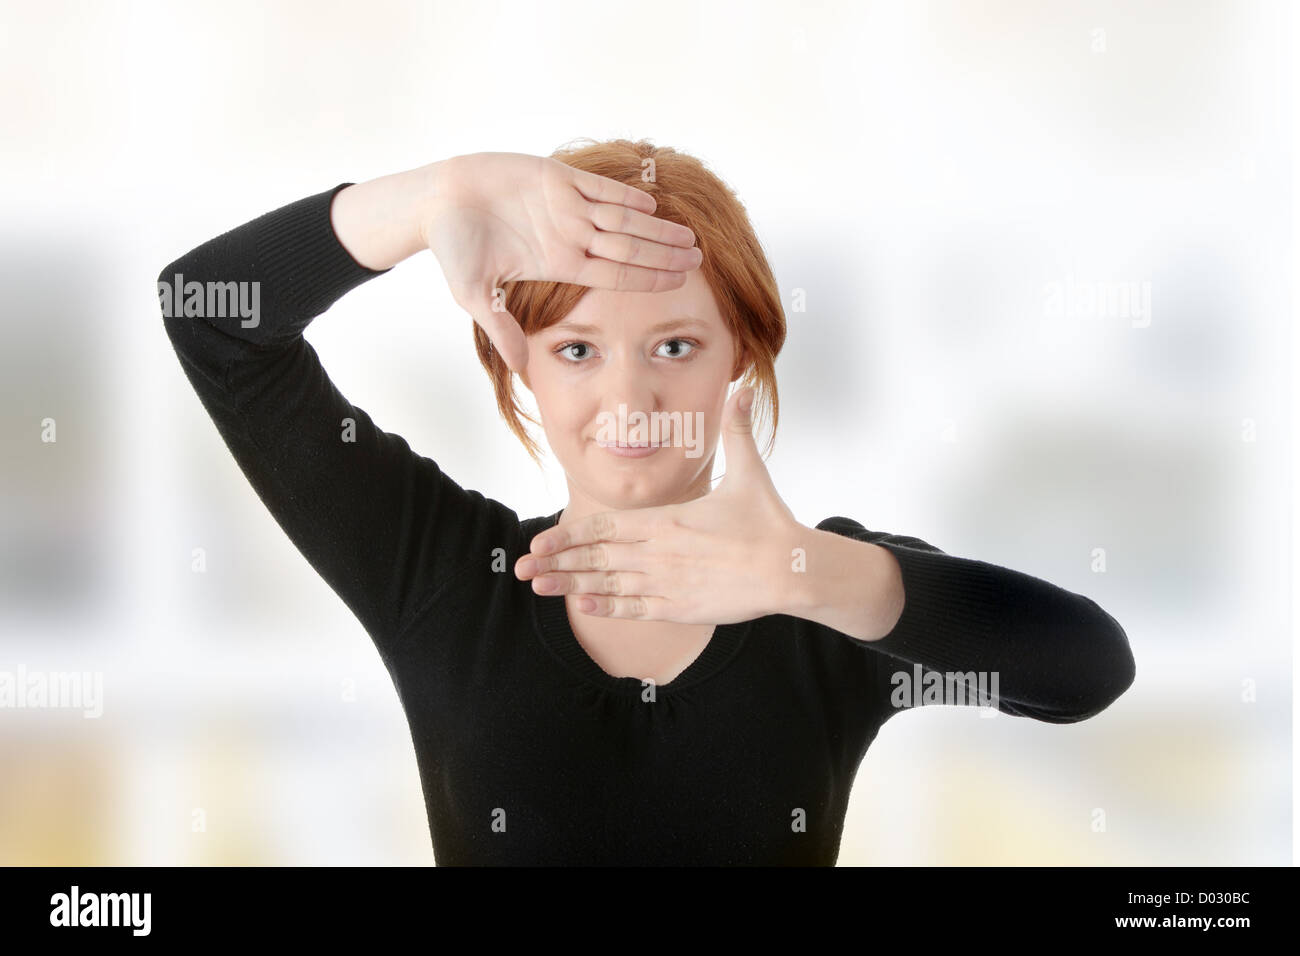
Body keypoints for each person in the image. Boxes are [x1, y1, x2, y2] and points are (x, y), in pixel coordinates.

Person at [158, 141, 1136, 865]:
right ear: (518, 360)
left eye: (673, 346)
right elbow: (209, 309)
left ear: (739, 357)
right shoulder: (445, 577)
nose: (627, 402)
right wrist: (436, 198)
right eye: (577, 349)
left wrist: (806, 572)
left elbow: (1088, 668)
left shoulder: (818, 599)